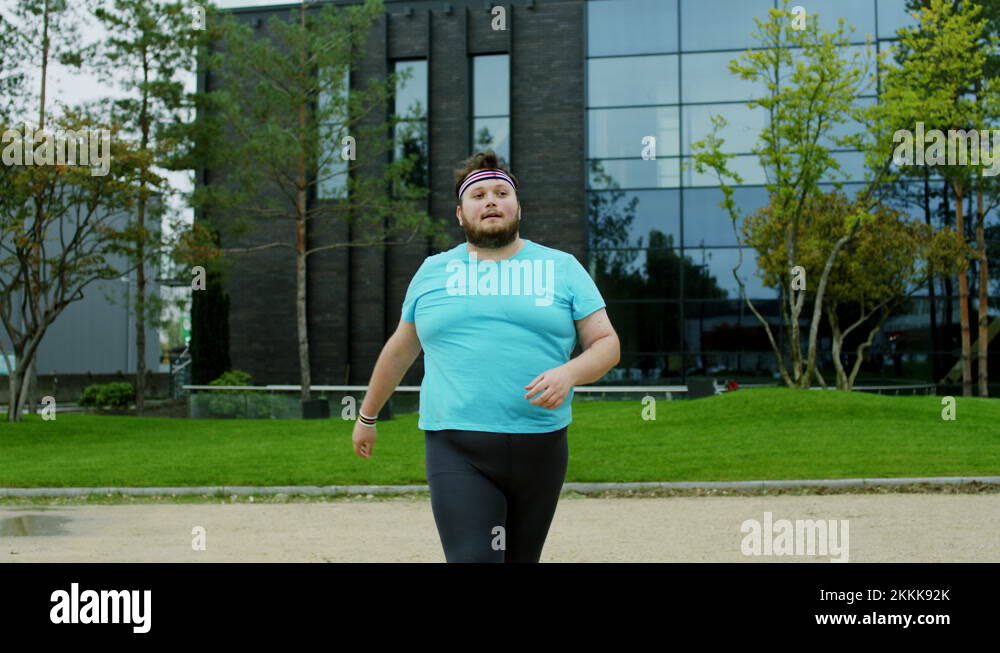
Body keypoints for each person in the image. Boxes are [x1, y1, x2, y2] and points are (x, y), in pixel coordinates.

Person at [351, 150, 620, 562]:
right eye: (478, 195)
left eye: (500, 192)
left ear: (518, 207)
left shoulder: (561, 268)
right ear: (460, 214)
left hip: (541, 447)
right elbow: (402, 349)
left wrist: (570, 374)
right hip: (456, 446)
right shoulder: (432, 271)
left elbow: (606, 344)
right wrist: (367, 417)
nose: (490, 200)